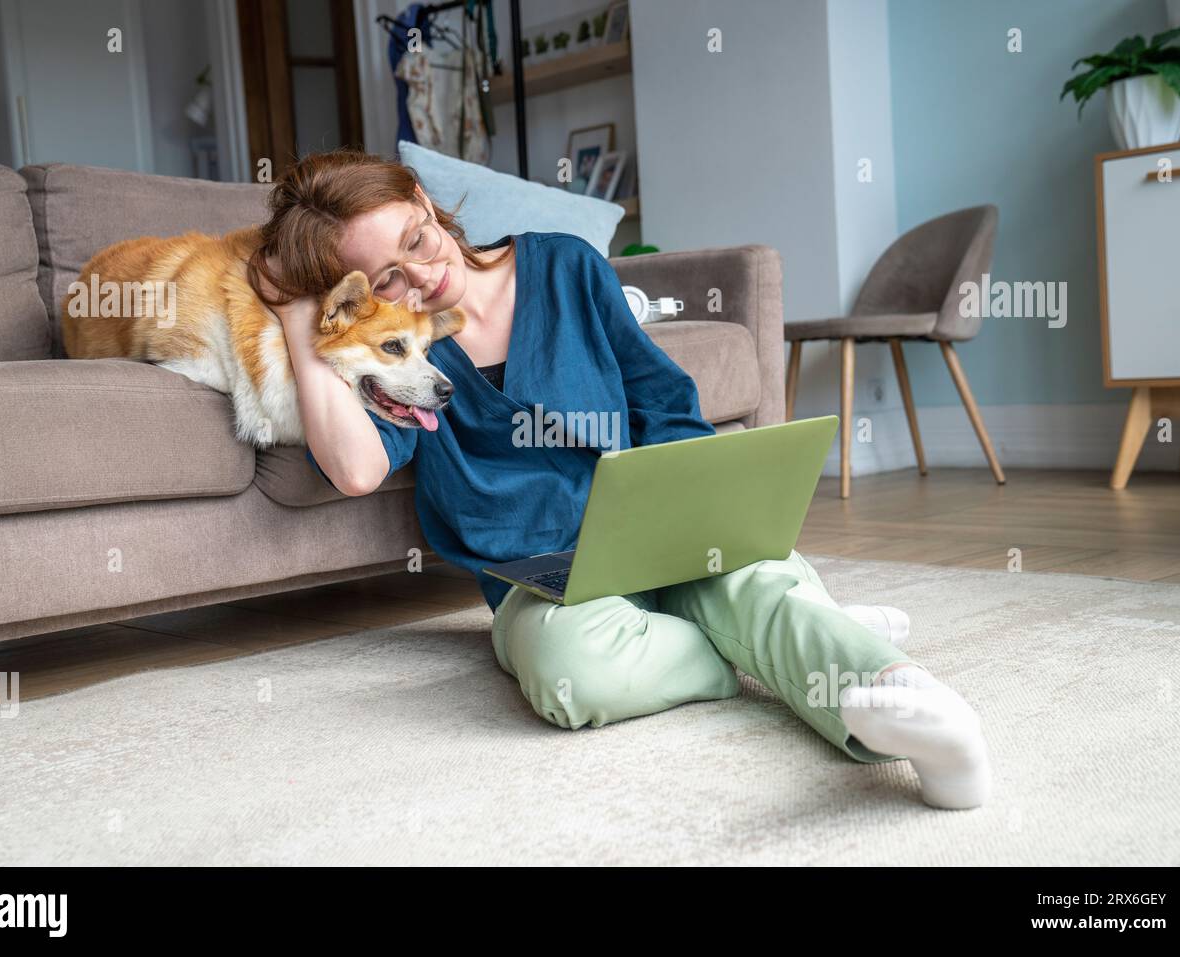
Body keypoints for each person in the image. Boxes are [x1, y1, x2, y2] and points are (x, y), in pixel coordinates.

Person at [252, 149, 992, 810]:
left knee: (747, 578)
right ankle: (786, 637)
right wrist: (296, 319)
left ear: (421, 197)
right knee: (572, 672)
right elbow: (355, 468)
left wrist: (704, 504)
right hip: (540, 588)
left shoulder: (566, 267)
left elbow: (663, 403)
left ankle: (922, 712)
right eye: (388, 278)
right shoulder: (396, 361)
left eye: (416, 238)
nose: (423, 274)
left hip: (660, 536)